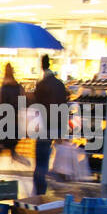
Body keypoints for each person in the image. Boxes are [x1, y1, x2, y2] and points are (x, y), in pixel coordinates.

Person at [30, 54, 69, 195]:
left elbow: (36, 108)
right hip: (58, 126)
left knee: (41, 161)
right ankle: (47, 186)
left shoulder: (41, 85)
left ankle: (39, 192)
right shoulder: (60, 85)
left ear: (42, 66)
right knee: (52, 157)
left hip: (45, 126)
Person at [0, 63, 30, 179]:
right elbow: (22, 105)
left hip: (4, 122)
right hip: (14, 122)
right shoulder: (18, 87)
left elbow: (1, 106)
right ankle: (22, 163)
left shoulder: (3, 88)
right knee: (11, 148)